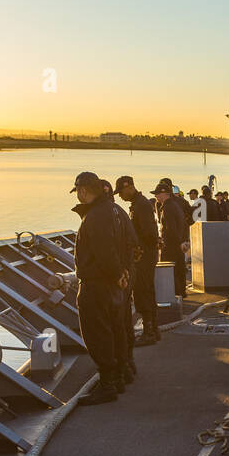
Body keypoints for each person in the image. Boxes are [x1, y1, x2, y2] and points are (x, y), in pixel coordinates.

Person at [71, 171, 128, 406]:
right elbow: (119, 245)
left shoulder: (95, 217)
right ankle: (118, 377)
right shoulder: (111, 211)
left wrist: (116, 273)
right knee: (114, 330)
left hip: (96, 285)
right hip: (111, 283)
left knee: (97, 334)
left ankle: (107, 384)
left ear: (83, 191)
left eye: (78, 192)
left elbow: (104, 251)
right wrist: (121, 272)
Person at [115, 175, 160, 345]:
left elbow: (148, 233)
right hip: (147, 254)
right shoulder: (140, 204)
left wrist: (138, 248)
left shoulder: (140, 206)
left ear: (130, 187)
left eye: (121, 192)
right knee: (147, 290)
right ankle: (154, 329)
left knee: (142, 292)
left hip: (144, 257)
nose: (120, 196)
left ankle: (149, 332)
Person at [100, 180, 138, 383]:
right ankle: (127, 364)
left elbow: (107, 251)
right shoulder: (120, 213)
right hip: (126, 274)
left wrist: (117, 274)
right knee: (124, 322)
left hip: (116, 279)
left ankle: (119, 370)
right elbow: (133, 241)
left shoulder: (105, 216)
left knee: (115, 325)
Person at [152, 179, 188, 296]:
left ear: (165, 194)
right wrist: (183, 241)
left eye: (158, 194)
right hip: (177, 245)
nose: (156, 196)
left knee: (170, 272)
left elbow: (171, 229)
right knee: (178, 270)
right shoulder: (175, 205)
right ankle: (180, 294)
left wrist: (163, 242)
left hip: (170, 246)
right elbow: (183, 224)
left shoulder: (167, 208)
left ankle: (172, 296)